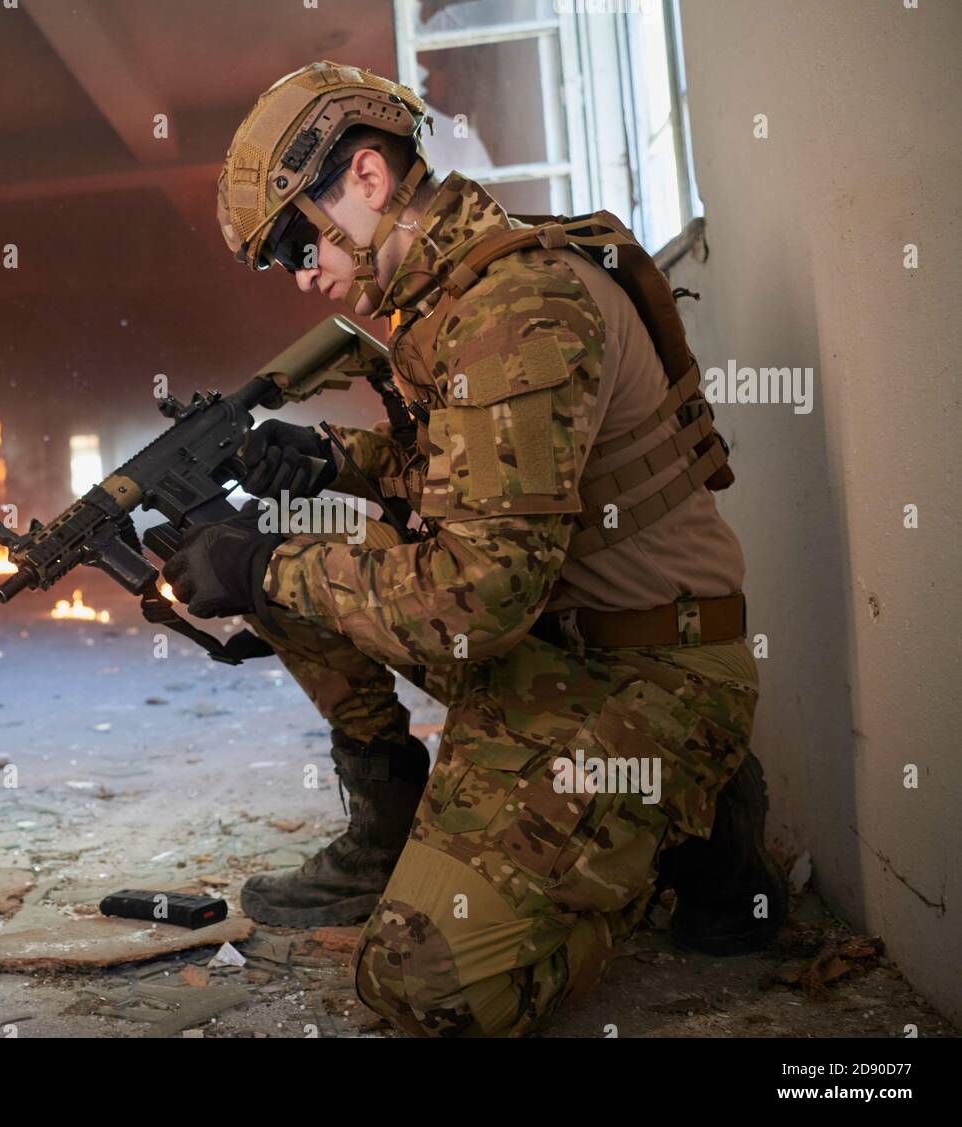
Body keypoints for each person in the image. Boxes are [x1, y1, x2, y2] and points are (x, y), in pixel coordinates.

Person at [162, 61, 786, 1037]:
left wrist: (258, 568)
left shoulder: (516, 306)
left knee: (424, 983)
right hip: (561, 643)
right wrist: (334, 460)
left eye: (293, 239)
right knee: (302, 542)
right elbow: (461, 474)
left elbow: (476, 597)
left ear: (365, 180)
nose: (298, 273)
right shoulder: (455, 297)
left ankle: (674, 827)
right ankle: (389, 822)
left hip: (645, 670)